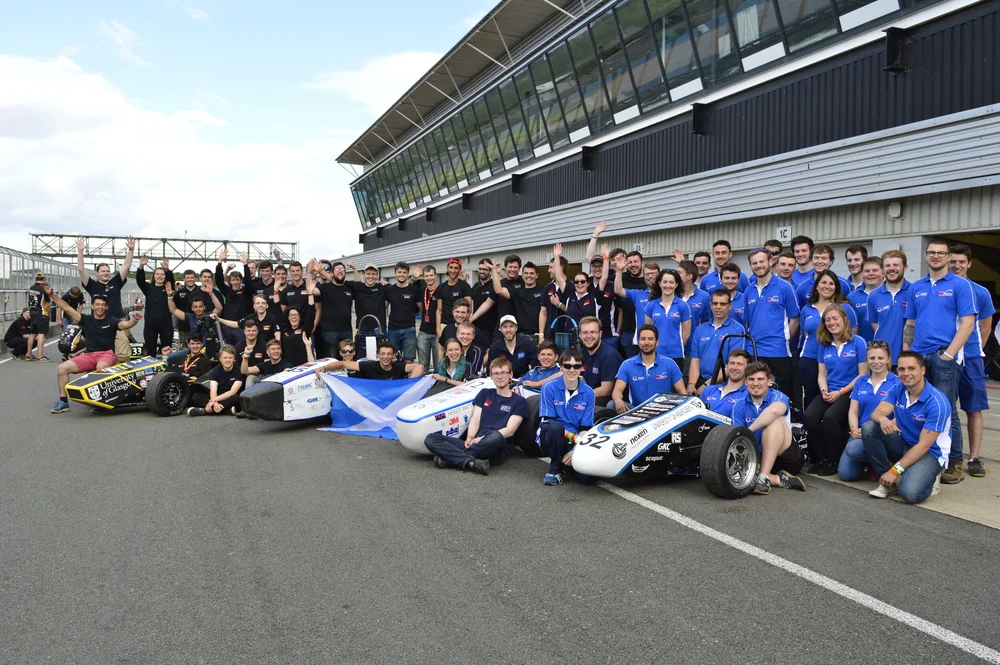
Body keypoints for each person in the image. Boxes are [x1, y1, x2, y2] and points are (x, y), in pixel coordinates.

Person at [903, 237, 975, 484]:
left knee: (946, 410)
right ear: (925, 256)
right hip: (919, 355)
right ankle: (923, 454)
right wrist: (906, 354)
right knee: (918, 407)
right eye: (931, 252)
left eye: (941, 253)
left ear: (947, 257)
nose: (935, 256)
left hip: (944, 355)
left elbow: (968, 323)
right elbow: (910, 323)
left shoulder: (960, 286)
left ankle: (954, 461)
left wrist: (949, 354)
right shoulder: (916, 287)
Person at [862, 352, 950, 502]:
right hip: (904, 443)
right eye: (901, 369)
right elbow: (876, 413)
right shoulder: (898, 389)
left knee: (910, 494)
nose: (906, 373)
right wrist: (883, 419)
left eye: (911, 368)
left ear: (922, 371)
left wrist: (895, 471)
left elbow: (923, 446)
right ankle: (885, 481)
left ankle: (931, 475)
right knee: (870, 427)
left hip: (930, 452)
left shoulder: (937, 402)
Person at [45, 286, 143, 414]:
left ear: (106, 308)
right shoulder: (86, 319)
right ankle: (63, 402)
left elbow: (126, 325)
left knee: (101, 366)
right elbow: (66, 307)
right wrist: (52, 294)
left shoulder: (112, 321)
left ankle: (101, 402)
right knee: (62, 368)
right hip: (89, 355)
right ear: (92, 306)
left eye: (103, 305)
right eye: (97, 304)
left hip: (107, 354)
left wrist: (134, 319)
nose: (100, 307)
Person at [423, 357, 528, 476]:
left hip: (496, 447)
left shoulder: (519, 401)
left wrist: (481, 439)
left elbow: (510, 431)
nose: (499, 376)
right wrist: (470, 437)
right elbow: (475, 418)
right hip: (475, 442)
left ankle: (452, 458)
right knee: (431, 438)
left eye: (503, 372)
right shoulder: (485, 393)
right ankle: (470, 462)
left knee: (496, 436)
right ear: (491, 376)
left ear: (511, 375)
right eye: (496, 373)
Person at [804, 305, 869, 475]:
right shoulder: (824, 345)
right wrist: (825, 391)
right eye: (828, 320)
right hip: (829, 391)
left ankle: (834, 460)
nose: (832, 323)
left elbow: (863, 374)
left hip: (850, 392)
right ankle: (821, 458)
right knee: (810, 417)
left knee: (830, 417)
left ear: (845, 320)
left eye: (835, 318)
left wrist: (841, 392)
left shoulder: (858, 342)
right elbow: (822, 374)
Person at [948, 244, 994, 479]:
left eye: (960, 262)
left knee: (973, 409)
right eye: (952, 261)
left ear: (969, 264)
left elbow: (985, 327)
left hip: (972, 358)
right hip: (947, 355)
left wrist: (974, 351)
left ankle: (974, 457)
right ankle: (949, 456)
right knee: (947, 409)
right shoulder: (943, 289)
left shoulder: (980, 292)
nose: (956, 265)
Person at [730, 362, 807, 494]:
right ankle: (776, 479)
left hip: (787, 457)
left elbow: (775, 411)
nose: (756, 383)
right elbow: (738, 437)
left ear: (769, 382)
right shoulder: (738, 405)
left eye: (760, 379)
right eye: (751, 379)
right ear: (745, 383)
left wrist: (749, 430)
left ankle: (763, 477)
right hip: (757, 457)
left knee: (774, 421)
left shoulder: (778, 396)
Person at [742, 248, 800, 408]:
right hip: (754, 352)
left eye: (762, 261)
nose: (758, 265)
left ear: (770, 262)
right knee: (755, 399)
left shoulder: (784, 287)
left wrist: (785, 340)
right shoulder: (748, 291)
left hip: (778, 352)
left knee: (780, 399)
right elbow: (748, 322)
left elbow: (795, 319)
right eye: (755, 263)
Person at [837, 340, 901, 481]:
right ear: (867, 360)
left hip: (883, 434)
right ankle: (871, 461)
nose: (876, 362)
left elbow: (901, 414)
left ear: (888, 359)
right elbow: (853, 411)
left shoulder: (898, 383)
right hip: (860, 433)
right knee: (845, 475)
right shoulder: (861, 381)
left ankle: (882, 467)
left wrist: (890, 426)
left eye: (880, 358)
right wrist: (854, 429)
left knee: (853, 450)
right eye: (872, 358)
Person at [799, 270, 857, 411]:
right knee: (811, 400)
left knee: (834, 404)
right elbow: (806, 332)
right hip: (809, 359)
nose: (827, 286)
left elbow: (853, 333)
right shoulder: (807, 308)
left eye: (831, 283)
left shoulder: (844, 308)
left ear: (836, 287)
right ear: (816, 287)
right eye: (823, 282)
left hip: (835, 361)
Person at [538, 349, 595, 486]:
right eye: (568, 366)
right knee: (555, 427)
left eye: (576, 366)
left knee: (588, 479)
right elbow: (547, 421)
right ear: (561, 367)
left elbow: (585, 428)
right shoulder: (548, 387)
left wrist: (575, 451)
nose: (572, 370)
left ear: (582, 368)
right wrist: (575, 439)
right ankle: (555, 468)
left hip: (575, 441)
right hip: (550, 436)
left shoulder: (589, 393)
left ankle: (567, 466)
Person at [76, 235, 135, 363]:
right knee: (98, 354)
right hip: (99, 325)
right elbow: (81, 269)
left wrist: (130, 250)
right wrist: (80, 251)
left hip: (117, 322)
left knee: (123, 355)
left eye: (108, 271)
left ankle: (119, 379)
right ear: (97, 273)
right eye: (103, 271)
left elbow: (126, 266)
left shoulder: (116, 282)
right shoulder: (92, 285)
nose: (106, 273)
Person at [611, 325, 686, 414]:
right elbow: (617, 391)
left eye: (650, 339)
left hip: (664, 413)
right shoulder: (627, 365)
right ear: (638, 342)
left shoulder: (669, 363)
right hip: (636, 411)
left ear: (657, 342)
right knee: (611, 404)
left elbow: (682, 392)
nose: (646, 342)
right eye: (643, 339)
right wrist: (618, 399)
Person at [688, 290, 745, 392]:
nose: (718, 307)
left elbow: (732, 365)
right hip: (701, 381)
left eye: (722, 304)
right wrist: (692, 384)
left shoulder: (737, 330)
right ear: (710, 305)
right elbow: (695, 360)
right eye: (715, 303)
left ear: (730, 306)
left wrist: (707, 385)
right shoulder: (700, 329)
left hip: (726, 382)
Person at [869, 250, 912, 365]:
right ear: (882, 269)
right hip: (883, 360)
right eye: (887, 265)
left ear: (905, 267)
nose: (891, 268)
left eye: (896, 265)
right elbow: (876, 326)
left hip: (909, 357)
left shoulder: (914, 291)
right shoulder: (873, 296)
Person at [643, 268, 691, 368]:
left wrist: (676, 346)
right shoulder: (651, 305)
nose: (668, 285)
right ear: (660, 283)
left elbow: (686, 333)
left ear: (676, 284)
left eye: (671, 282)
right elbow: (647, 330)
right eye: (665, 282)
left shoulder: (683, 306)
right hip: (655, 354)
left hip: (676, 354)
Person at [613, 255, 660, 356]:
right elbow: (618, 290)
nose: (650, 276)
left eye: (653, 274)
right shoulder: (638, 294)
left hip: (661, 342)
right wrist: (619, 271)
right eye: (647, 274)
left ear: (659, 275)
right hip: (641, 343)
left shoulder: (667, 295)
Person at [165, 283, 224, 359]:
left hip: (207, 350)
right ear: (192, 308)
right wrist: (169, 296)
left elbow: (219, 309)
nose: (198, 309)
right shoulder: (189, 317)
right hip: (193, 349)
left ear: (204, 307)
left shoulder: (210, 316)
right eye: (195, 307)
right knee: (171, 357)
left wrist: (211, 293)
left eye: (200, 306)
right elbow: (173, 310)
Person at [490, 260, 545, 338]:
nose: (529, 275)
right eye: (526, 273)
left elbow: (544, 313)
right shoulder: (516, 292)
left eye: (532, 273)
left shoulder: (544, 290)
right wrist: (494, 270)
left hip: (539, 335)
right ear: (522, 275)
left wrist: (541, 335)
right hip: (520, 335)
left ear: (537, 275)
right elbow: (499, 290)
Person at [314, 340, 423, 379]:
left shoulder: (398, 366)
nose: (386, 357)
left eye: (389, 354)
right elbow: (343, 364)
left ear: (393, 355)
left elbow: (419, 367)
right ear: (378, 355)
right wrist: (324, 367)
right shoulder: (369, 365)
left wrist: (410, 385)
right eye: (383, 354)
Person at [136, 256, 176, 358]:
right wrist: (141, 266)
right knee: (150, 351)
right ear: (153, 276)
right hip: (150, 325)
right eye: (157, 274)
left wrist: (166, 269)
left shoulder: (168, 289)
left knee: (166, 351)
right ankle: (151, 370)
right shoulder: (148, 288)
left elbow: (171, 280)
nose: (159, 276)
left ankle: (166, 369)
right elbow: (140, 280)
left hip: (166, 324)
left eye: (162, 274)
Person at [381, 261, 422, 362]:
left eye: (404, 272)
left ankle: (408, 378)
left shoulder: (414, 290)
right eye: (399, 272)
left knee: (409, 361)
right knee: (393, 360)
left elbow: (422, 309)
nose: (401, 275)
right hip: (393, 330)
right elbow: (383, 308)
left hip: (409, 330)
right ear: (395, 273)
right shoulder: (389, 290)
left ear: (408, 274)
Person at [313, 260, 354, 358]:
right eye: (337, 269)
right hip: (330, 331)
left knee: (347, 358)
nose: (340, 271)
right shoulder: (324, 287)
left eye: (342, 269)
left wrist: (355, 268)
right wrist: (313, 273)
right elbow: (312, 291)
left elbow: (358, 283)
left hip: (347, 330)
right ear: (331, 273)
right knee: (332, 359)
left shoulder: (348, 287)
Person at [187, 346, 244, 416]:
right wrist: (215, 402)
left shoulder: (239, 370)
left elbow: (232, 392)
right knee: (196, 396)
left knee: (236, 397)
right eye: (225, 358)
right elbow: (213, 391)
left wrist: (213, 401)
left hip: (230, 397)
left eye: (230, 357)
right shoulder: (215, 371)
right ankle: (226, 410)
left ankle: (205, 411)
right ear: (220, 359)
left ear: (234, 358)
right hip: (219, 397)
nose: (227, 360)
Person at [578, 316, 622, 406]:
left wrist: (580, 397)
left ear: (600, 334)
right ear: (580, 335)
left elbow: (606, 390)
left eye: (593, 332)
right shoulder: (582, 353)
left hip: (605, 401)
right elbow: (566, 373)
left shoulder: (609, 355)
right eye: (585, 332)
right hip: (589, 395)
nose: (588, 336)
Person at [215, 248, 253, 345]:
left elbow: (248, 281)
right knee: (227, 351)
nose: (235, 282)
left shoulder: (246, 292)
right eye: (233, 280)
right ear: (230, 281)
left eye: (237, 280)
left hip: (240, 327)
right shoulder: (227, 291)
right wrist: (220, 262)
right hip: (226, 327)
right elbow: (218, 280)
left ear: (241, 280)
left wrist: (245, 264)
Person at [701, 349, 751, 418]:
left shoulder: (748, 395)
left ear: (747, 368)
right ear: (727, 366)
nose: (734, 367)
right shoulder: (709, 390)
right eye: (732, 363)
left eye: (739, 364)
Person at [434, 259, 473, 339]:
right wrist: (438, 328)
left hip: (460, 325)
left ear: (459, 270)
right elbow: (439, 310)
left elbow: (469, 309)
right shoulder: (441, 287)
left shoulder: (465, 286)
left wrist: (464, 326)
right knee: (441, 351)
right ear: (447, 269)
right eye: (451, 267)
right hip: (444, 325)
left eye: (456, 268)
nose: (453, 270)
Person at [847, 256, 883, 344]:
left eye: (875, 270)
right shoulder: (852, 297)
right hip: (861, 348)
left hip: (887, 348)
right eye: (866, 271)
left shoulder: (891, 295)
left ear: (883, 272)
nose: (871, 274)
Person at [348, 261, 388, 331]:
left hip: (380, 329)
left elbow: (402, 287)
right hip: (363, 329)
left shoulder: (382, 287)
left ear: (377, 275)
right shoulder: (358, 288)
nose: (371, 276)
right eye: (368, 274)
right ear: (364, 274)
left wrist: (414, 278)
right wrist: (354, 268)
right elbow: (336, 281)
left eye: (373, 274)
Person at [416, 265, 440, 371]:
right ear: (424, 277)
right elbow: (405, 287)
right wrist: (414, 277)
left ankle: (438, 385)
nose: (429, 278)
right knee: (422, 365)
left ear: (435, 275)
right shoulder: (421, 291)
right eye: (426, 276)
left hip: (437, 332)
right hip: (423, 332)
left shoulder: (441, 290)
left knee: (438, 364)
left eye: (431, 275)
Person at [25, 272, 52, 362]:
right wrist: (49, 315)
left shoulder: (31, 288)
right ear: (44, 279)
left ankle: (28, 354)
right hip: (42, 313)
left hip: (32, 313)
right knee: (41, 334)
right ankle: (40, 356)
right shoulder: (43, 290)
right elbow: (48, 304)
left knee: (33, 334)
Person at [470, 258, 499, 338]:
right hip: (476, 327)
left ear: (490, 272)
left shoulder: (495, 286)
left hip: (490, 329)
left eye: (485, 269)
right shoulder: (475, 286)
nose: (482, 271)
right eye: (480, 269)